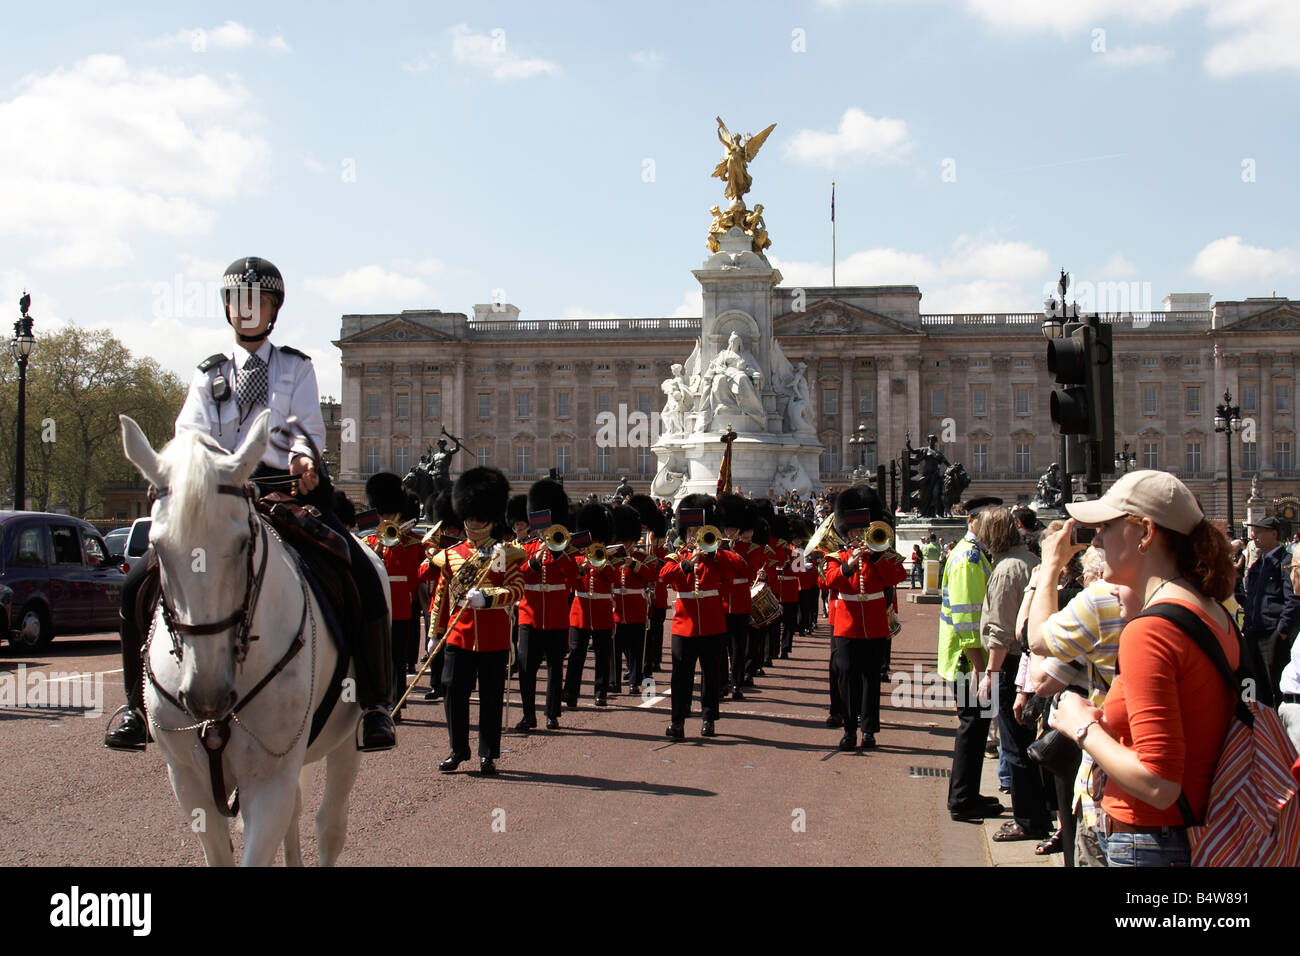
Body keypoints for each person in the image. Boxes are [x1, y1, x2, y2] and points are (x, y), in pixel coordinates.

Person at [105, 256, 397, 752]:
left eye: (256, 301)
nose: (247, 311)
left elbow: (307, 426)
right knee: (136, 581)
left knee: (360, 571)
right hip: (218, 494)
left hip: (286, 488)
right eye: (238, 301)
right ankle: (134, 705)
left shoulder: (296, 367)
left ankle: (373, 704)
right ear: (227, 309)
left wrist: (305, 460)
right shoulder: (208, 374)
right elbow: (189, 434)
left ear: (272, 309)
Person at [1047, 469, 1241, 867]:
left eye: (1105, 527)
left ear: (1145, 532)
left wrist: (1080, 727)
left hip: (1150, 839)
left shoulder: (1150, 631)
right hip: (1193, 828)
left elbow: (1158, 783)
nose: (1096, 541)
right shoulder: (1210, 610)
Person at [428, 467, 525, 775]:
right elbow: (442, 595)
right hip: (458, 635)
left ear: (491, 519)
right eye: (469, 517)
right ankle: (458, 749)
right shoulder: (452, 555)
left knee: (491, 698)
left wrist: (489, 598)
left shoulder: (505, 554)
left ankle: (487, 753)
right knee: (453, 693)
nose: (473, 523)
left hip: (494, 636)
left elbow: (516, 590)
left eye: (479, 518)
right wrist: (434, 633)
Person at [977, 507, 1049, 843]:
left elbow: (1001, 632)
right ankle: (1039, 811)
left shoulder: (1006, 570)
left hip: (1010, 664)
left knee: (1015, 745)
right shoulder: (1028, 560)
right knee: (1026, 742)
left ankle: (1028, 819)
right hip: (1028, 662)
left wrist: (990, 673)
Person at [821, 485, 906, 750]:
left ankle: (869, 730)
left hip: (875, 626)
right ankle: (849, 730)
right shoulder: (836, 556)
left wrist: (877, 557)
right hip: (847, 627)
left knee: (871, 680)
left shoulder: (881, 554)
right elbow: (829, 581)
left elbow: (897, 577)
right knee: (847, 678)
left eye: (862, 531)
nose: (858, 536)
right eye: (854, 531)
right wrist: (850, 563)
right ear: (846, 531)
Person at [659, 494, 748, 739]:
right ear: (684, 533)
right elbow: (665, 575)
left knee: (711, 675)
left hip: (711, 623)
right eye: (690, 531)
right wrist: (688, 563)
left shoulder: (717, 556)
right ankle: (678, 721)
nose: (694, 535)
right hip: (683, 625)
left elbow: (739, 566)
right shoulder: (677, 556)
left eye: (699, 530)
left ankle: (709, 718)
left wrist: (713, 553)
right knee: (680, 676)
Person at [939, 495, 1003, 821]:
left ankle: (968, 793)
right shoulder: (968, 559)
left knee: (977, 729)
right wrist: (981, 668)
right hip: (968, 660)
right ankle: (962, 800)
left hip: (972, 657)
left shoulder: (976, 555)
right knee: (971, 727)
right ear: (972, 521)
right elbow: (967, 620)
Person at [515, 479, 578, 732]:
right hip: (529, 616)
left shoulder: (565, 549)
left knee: (555, 669)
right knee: (526, 671)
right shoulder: (525, 549)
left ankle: (552, 713)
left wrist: (558, 553)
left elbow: (573, 577)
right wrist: (534, 562)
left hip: (555, 616)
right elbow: (517, 577)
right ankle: (528, 714)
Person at [363, 473, 424, 723]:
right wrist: (378, 548)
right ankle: (379, 700)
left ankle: (397, 702)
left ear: (400, 515)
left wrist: (395, 544)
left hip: (400, 605)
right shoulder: (369, 541)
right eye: (384, 515)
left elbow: (414, 574)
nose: (387, 519)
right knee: (378, 656)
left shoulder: (411, 542)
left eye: (392, 515)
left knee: (398, 658)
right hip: (377, 605)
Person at [1243, 515, 1299, 701]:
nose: (1253, 535)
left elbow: (1292, 598)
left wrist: (1282, 630)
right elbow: (1250, 599)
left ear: (1274, 534)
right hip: (1254, 633)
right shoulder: (1258, 564)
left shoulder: (1286, 561)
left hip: (1272, 634)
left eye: (1259, 531)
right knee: (1254, 687)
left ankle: (1276, 727)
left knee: (1274, 686)